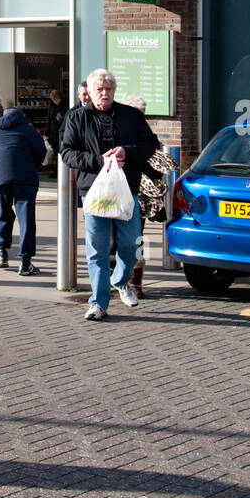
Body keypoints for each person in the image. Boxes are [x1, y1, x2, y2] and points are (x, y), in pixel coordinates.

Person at [60, 68, 158, 321]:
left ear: (115, 91)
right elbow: (67, 152)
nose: (104, 93)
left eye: (109, 89)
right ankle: (98, 302)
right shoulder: (76, 118)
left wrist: (127, 152)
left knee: (131, 242)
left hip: (126, 189)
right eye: (99, 89)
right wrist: (97, 161)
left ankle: (121, 280)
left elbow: (150, 144)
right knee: (97, 249)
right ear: (89, 93)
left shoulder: (132, 116)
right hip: (94, 192)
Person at [0, 107, 47, 275]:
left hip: (0, 180)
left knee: (3, 216)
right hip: (25, 179)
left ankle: (2, 254)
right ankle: (25, 262)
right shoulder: (29, 129)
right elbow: (41, 153)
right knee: (26, 220)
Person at [45, 89, 68, 156]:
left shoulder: (65, 105)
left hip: (62, 132)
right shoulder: (52, 106)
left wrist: (61, 118)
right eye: (54, 99)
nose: (56, 101)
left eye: (57, 99)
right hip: (53, 132)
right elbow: (49, 121)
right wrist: (46, 134)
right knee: (54, 149)